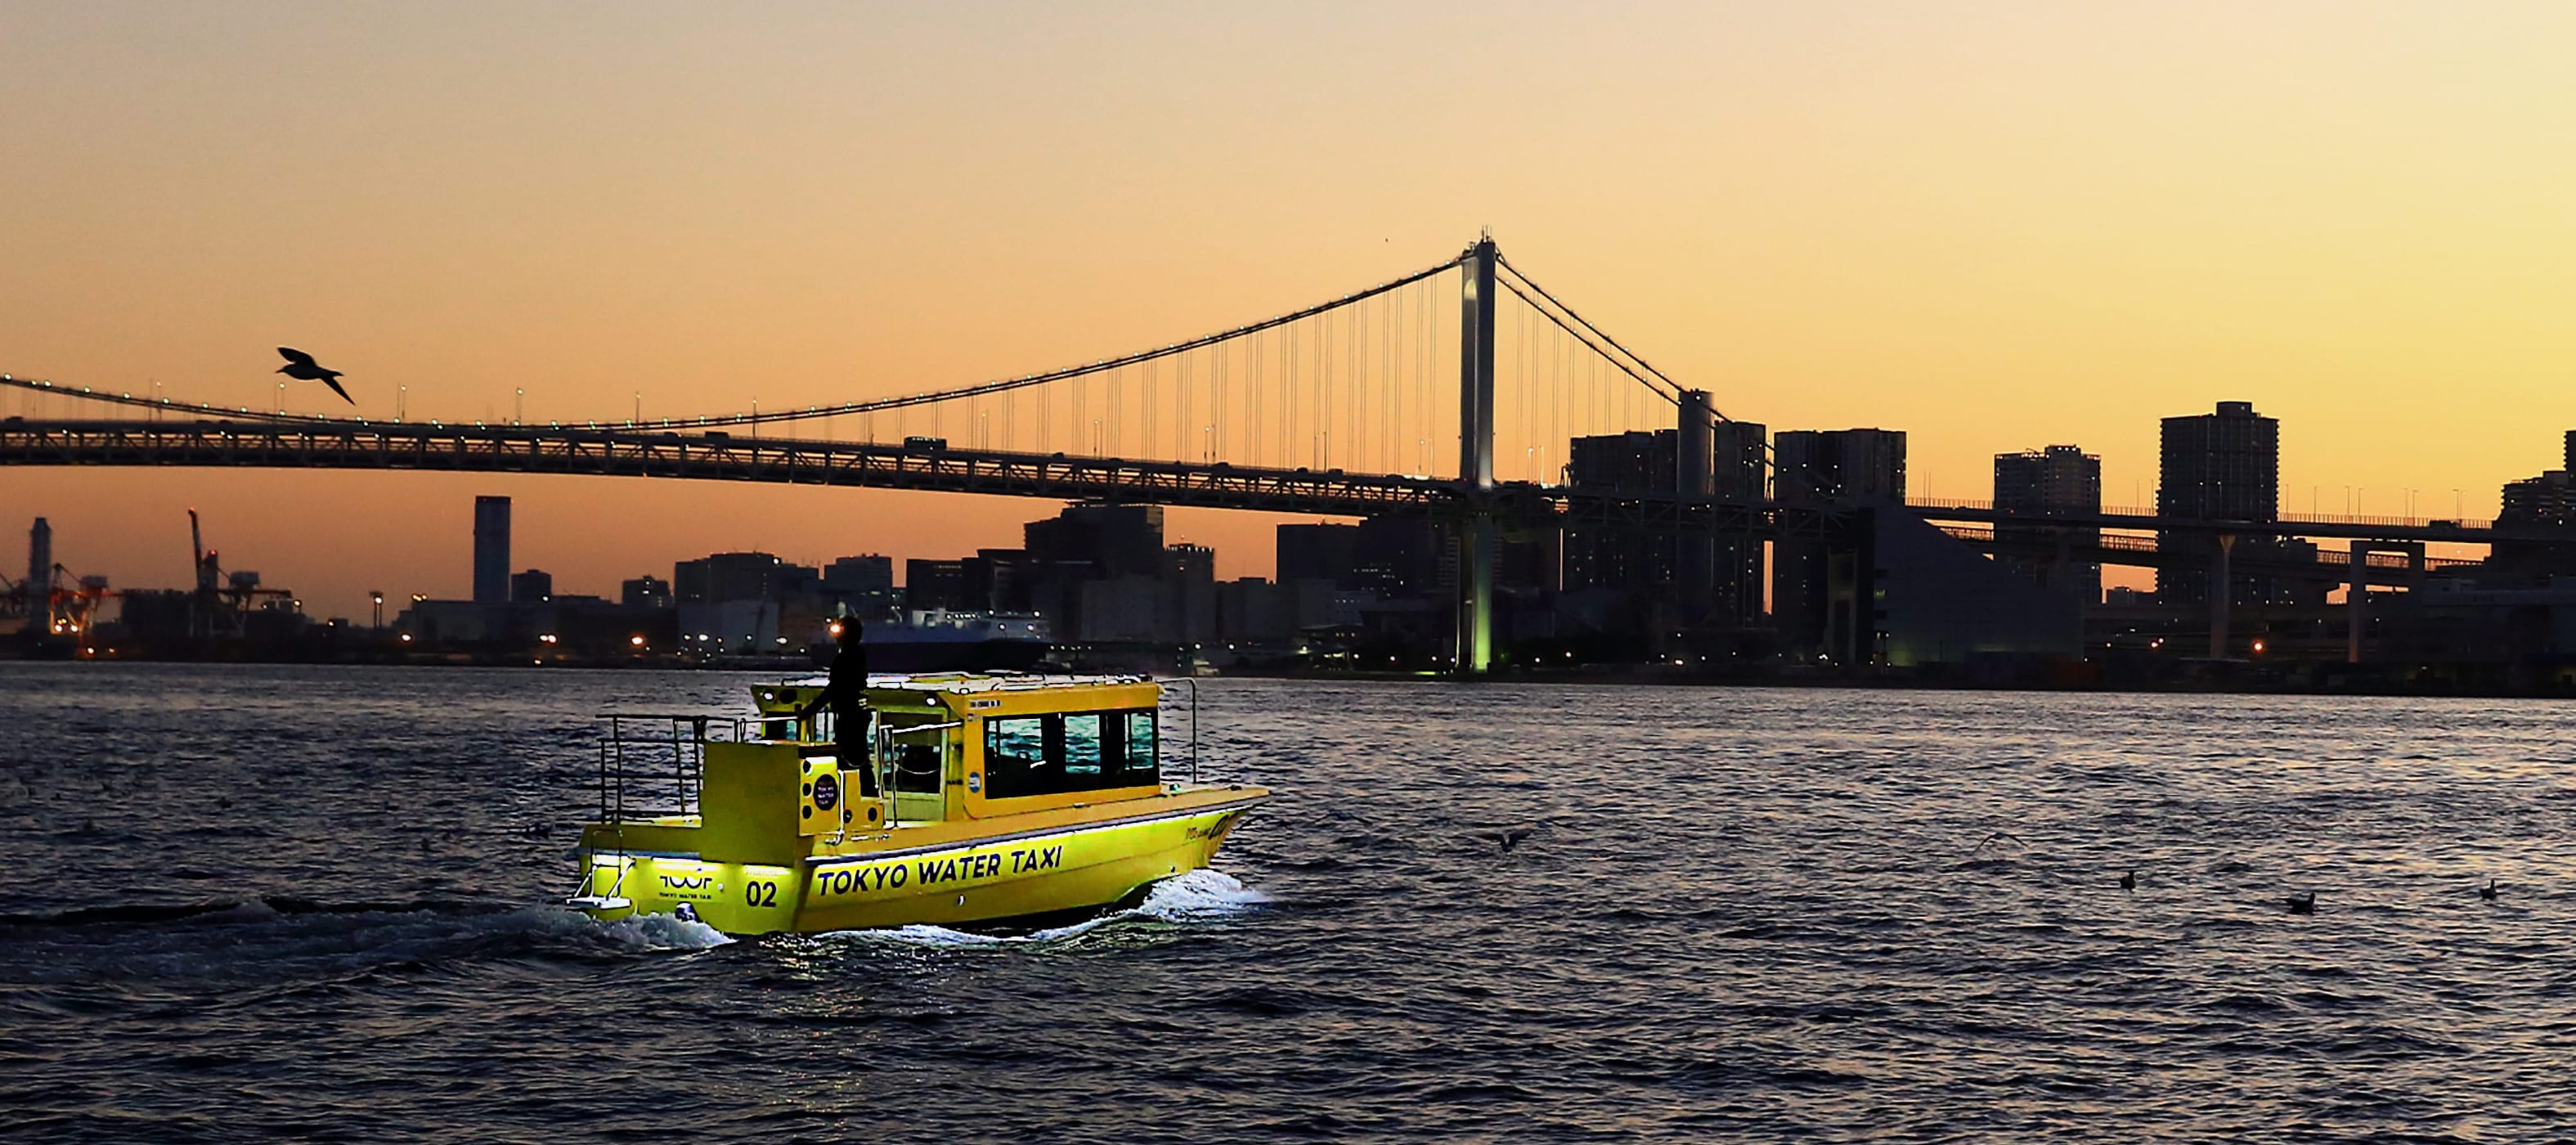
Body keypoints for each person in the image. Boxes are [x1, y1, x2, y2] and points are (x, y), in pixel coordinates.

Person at [800, 618, 877, 797]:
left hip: (849, 717)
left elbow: (833, 689)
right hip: (857, 715)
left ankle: (859, 795)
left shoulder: (845, 658)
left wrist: (808, 711)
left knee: (850, 755)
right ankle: (865, 794)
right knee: (858, 756)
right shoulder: (859, 655)